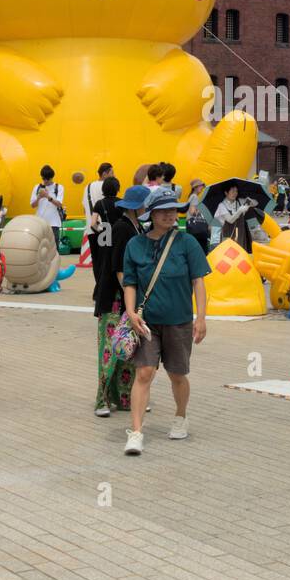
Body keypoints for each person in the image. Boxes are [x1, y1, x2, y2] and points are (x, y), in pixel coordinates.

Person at [121, 190, 210, 456]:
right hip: (147, 323)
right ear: (151, 214)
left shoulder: (187, 242)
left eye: (174, 210)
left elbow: (199, 281)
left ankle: (181, 416)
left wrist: (201, 317)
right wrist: (130, 312)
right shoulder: (134, 245)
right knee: (144, 373)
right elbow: (130, 283)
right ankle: (136, 432)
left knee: (177, 374)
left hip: (179, 320)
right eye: (164, 211)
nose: (171, 214)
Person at [94, 183, 151, 416]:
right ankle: (102, 400)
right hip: (115, 300)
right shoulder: (121, 228)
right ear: (137, 207)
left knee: (129, 350)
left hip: (128, 298)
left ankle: (126, 397)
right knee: (110, 350)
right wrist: (131, 297)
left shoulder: (137, 227)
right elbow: (118, 267)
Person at [84, 162, 114, 283]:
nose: (114, 175)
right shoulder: (107, 186)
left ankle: (98, 289)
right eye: (112, 172)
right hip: (104, 229)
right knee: (106, 261)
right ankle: (104, 290)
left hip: (91, 229)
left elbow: (84, 207)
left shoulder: (88, 186)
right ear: (105, 173)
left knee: (96, 261)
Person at [30, 166, 65, 249]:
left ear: (52, 177)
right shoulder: (37, 187)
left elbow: (59, 204)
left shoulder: (59, 187)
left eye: (47, 179)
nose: (45, 181)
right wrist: (39, 197)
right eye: (43, 178)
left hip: (54, 223)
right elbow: (32, 205)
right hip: (39, 223)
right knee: (39, 248)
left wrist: (47, 196)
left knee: (54, 249)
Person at [185, 178, 210, 252]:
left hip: (190, 225)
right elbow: (192, 211)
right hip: (195, 226)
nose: (202, 188)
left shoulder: (191, 196)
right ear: (195, 187)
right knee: (201, 248)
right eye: (200, 186)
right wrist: (202, 210)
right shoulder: (195, 197)